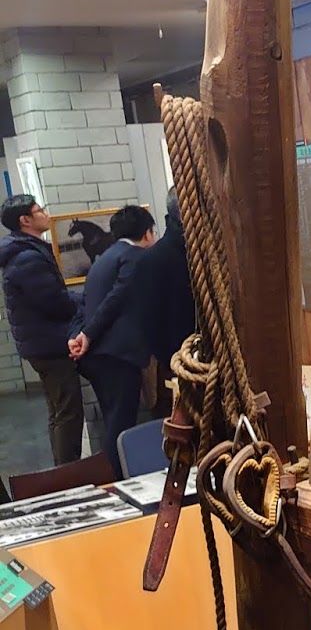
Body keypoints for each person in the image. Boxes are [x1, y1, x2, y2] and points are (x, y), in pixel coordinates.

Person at [69, 204, 156, 477]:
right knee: (121, 425)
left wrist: (78, 335)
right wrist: (87, 334)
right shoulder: (135, 257)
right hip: (116, 354)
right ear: (147, 233)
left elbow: (85, 303)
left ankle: (114, 477)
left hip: (98, 357)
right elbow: (116, 299)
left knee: (113, 420)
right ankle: (116, 482)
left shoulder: (105, 258)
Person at [0, 194, 83, 466]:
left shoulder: (26, 251)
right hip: (49, 344)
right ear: (25, 220)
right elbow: (53, 302)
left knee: (58, 410)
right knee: (68, 412)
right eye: (40, 210)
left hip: (41, 343)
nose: (46, 214)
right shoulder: (26, 257)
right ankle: (68, 474)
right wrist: (84, 299)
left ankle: (64, 470)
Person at [133, 189, 196, 417]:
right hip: (180, 368)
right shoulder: (153, 262)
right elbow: (150, 325)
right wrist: (175, 362)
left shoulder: (209, 250)